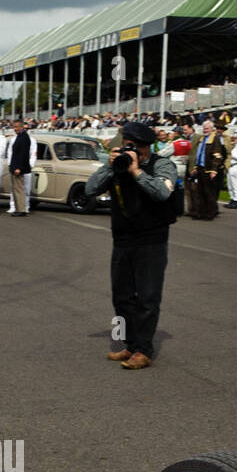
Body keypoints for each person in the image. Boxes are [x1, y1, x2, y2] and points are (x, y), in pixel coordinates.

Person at [83, 120, 179, 371]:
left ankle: (143, 350)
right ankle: (130, 343)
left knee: (147, 298)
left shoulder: (162, 165)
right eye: (127, 146)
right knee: (121, 297)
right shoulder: (118, 165)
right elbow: (90, 189)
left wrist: (137, 171)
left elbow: (162, 193)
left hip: (151, 241)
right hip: (122, 239)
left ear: (146, 147)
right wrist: (109, 166)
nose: (131, 151)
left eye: (135, 147)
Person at [186, 119, 226, 219]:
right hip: (200, 167)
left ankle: (210, 213)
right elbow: (199, 154)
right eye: (204, 128)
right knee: (199, 192)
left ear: (212, 129)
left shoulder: (215, 139)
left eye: (207, 128)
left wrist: (214, 170)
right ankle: (200, 212)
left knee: (209, 192)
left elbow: (217, 156)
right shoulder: (202, 139)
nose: (205, 130)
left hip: (208, 169)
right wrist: (195, 166)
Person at [7, 118, 37, 215]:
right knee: (16, 189)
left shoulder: (24, 137)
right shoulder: (19, 136)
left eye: (16, 127)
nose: (14, 129)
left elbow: (23, 154)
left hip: (19, 167)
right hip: (15, 166)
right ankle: (18, 208)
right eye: (14, 127)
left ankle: (21, 209)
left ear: (21, 127)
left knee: (19, 189)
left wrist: (19, 167)